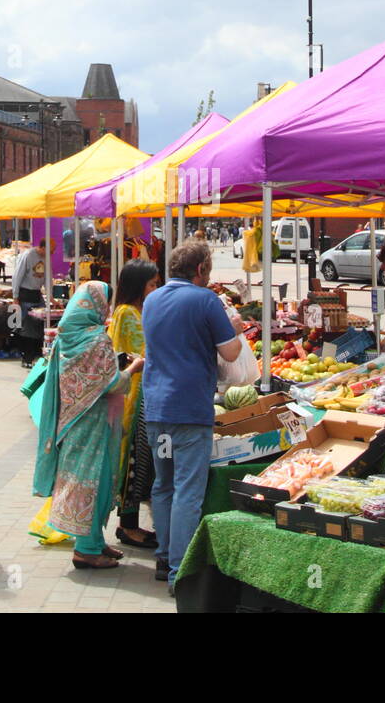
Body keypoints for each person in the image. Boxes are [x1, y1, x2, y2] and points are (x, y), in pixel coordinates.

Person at [142, 240, 243, 594]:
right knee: (187, 491)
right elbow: (230, 352)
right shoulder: (205, 300)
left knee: (164, 485)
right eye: (209, 269)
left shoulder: (152, 299)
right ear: (200, 270)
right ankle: (179, 574)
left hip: (157, 409)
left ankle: (164, 556)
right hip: (190, 410)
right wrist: (238, 329)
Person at [33, 281, 144, 569]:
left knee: (81, 481)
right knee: (97, 481)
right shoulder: (97, 340)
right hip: (96, 424)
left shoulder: (66, 337)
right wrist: (133, 368)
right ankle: (86, 549)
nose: (107, 306)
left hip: (71, 424)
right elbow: (112, 384)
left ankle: (94, 541)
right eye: (105, 301)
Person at [109, 259, 160, 550]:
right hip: (133, 397)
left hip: (140, 394)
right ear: (138, 286)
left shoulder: (135, 311)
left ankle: (129, 523)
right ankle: (127, 527)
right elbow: (141, 352)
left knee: (138, 461)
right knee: (133, 461)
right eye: (152, 284)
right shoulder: (128, 313)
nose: (156, 289)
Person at [12, 238, 50, 367]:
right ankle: (26, 356)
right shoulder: (28, 255)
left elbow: (48, 278)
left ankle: (36, 354)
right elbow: (17, 276)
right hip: (25, 293)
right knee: (26, 326)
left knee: (40, 323)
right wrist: (15, 296)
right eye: (50, 250)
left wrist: (50, 296)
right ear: (43, 247)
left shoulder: (47, 258)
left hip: (37, 294)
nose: (52, 253)